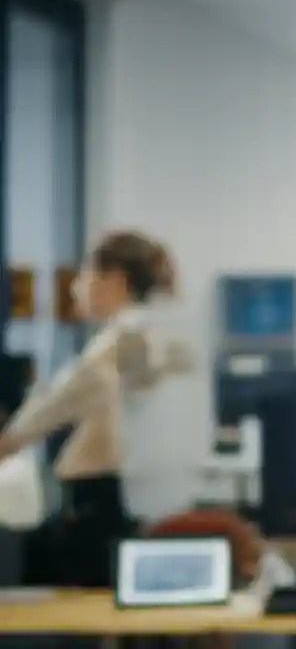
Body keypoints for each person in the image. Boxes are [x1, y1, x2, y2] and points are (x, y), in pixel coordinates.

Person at [0, 229, 200, 587]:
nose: (77, 286)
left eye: (85, 274)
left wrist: (7, 442)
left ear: (115, 280)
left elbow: (47, 410)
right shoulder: (171, 337)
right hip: (167, 502)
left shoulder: (119, 342)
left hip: (108, 511)